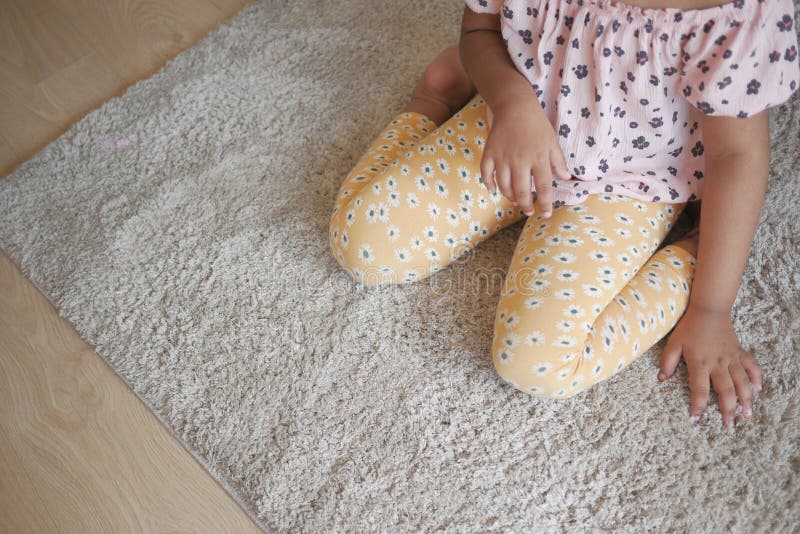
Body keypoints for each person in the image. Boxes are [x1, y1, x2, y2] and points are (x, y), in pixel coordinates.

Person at [328, 0, 799, 429]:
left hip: (630, 174)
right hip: (513, 122)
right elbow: (479, 32)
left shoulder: (731, 14)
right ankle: (434, 99)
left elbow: (736, 157)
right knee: (362, 243)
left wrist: (710, 308)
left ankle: (694, 250)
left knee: (537, 362)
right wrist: (510, 101)